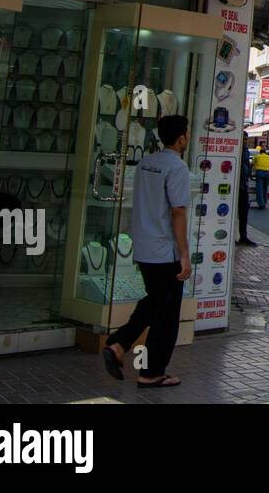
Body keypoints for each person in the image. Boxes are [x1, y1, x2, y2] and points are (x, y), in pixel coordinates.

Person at [101, 115, 192, 388]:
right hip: (165, 250)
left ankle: (120, 344)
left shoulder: (145, 163)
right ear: (181, 138)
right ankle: (151, 371)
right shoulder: (177, 168)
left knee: (153, 302)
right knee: (166, 316)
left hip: (142, 246)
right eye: (186, 134)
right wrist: (184, 254)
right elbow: (178, 212)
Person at [251, 144, 269, 210]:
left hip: (259, 172)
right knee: (265, 188)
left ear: (260, 152)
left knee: (259, 189)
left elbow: (253, 164)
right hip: (266, 173)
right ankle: (264, 202)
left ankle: (261, 204)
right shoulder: (268, 157)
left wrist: (252, 173)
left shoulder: (257, 156)